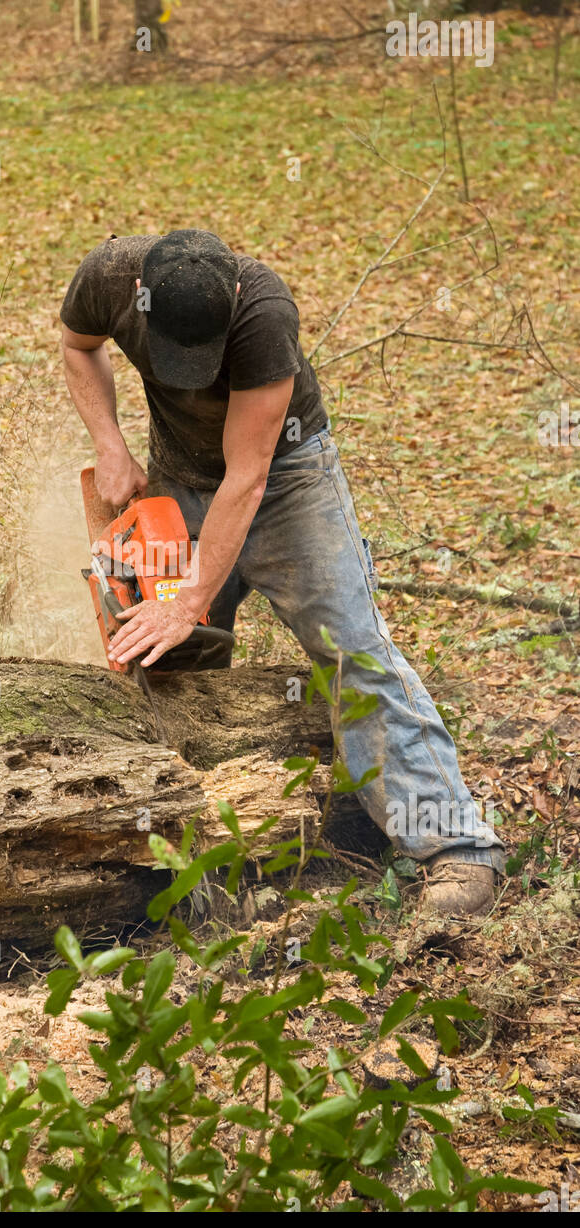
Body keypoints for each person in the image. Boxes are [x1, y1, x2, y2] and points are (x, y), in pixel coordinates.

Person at [60, 228, 505, 916]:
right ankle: (193, 866)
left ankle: (455, 848)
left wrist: (187, 599)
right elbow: (76, 345)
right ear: (140, 299)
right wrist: (109, 443)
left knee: (352, 646)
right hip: (178, 475)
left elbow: (249, 476)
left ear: (232, 299)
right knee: (165, 665)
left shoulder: (264, 313)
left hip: (285, 482)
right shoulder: (108, 274)